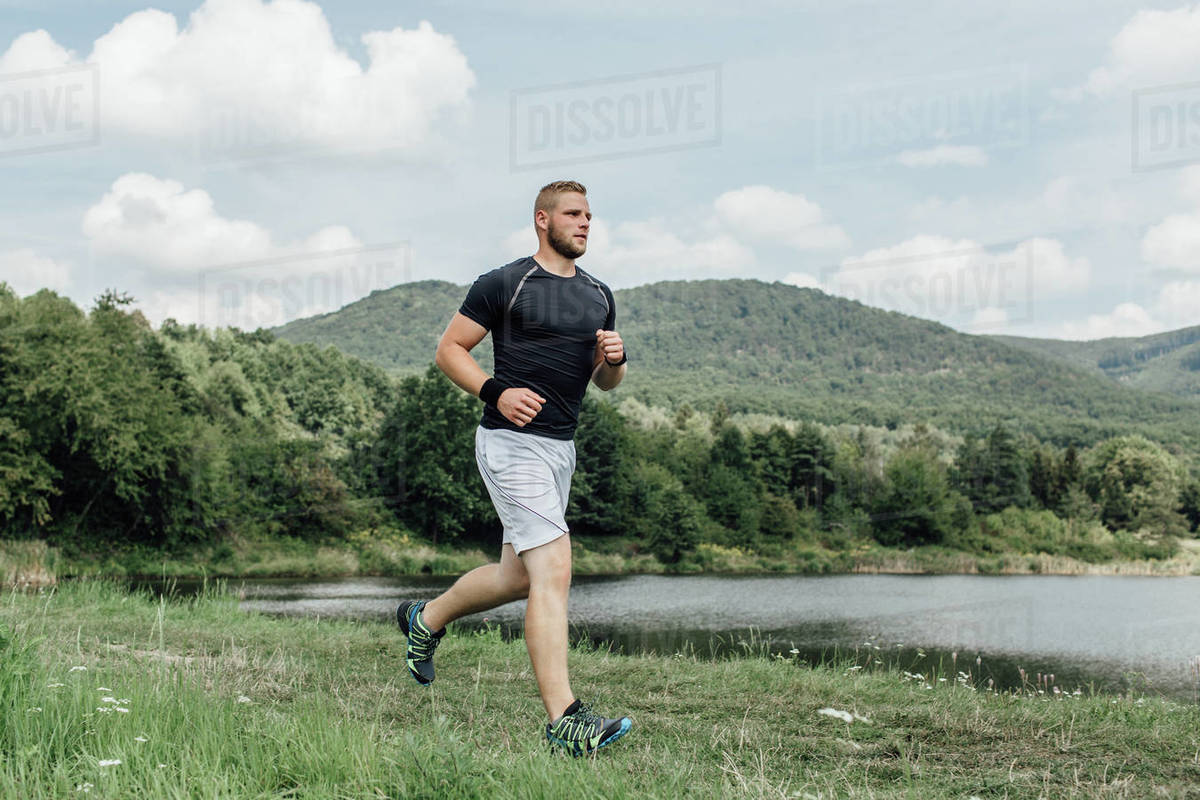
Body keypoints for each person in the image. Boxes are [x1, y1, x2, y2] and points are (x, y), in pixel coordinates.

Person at [396, 180, 632, 756]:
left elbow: (605, 383)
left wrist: (615, 363)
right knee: (553, 571)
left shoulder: (600, 294)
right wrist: (495, 392)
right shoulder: (505, 282)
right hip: (510, 443)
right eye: (573, 214)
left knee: (518, 577)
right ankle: (565, 720)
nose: (584, 223)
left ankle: (424, 619)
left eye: (589, 215)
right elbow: (450, 349)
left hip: (560, 449)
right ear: (541, 219)